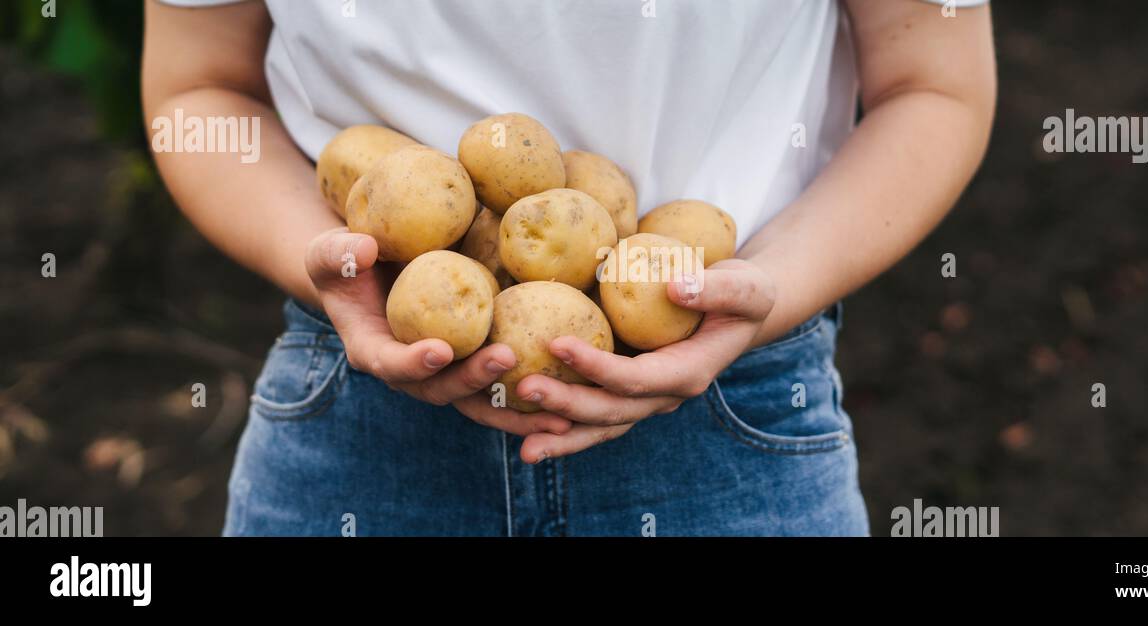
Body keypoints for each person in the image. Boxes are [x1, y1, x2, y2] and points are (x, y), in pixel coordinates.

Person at [142, 0, 996, 536]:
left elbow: (935, 82)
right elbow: (197, 88)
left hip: (735, 396)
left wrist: (776, 287)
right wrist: (328, 266)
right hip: (365, 392)